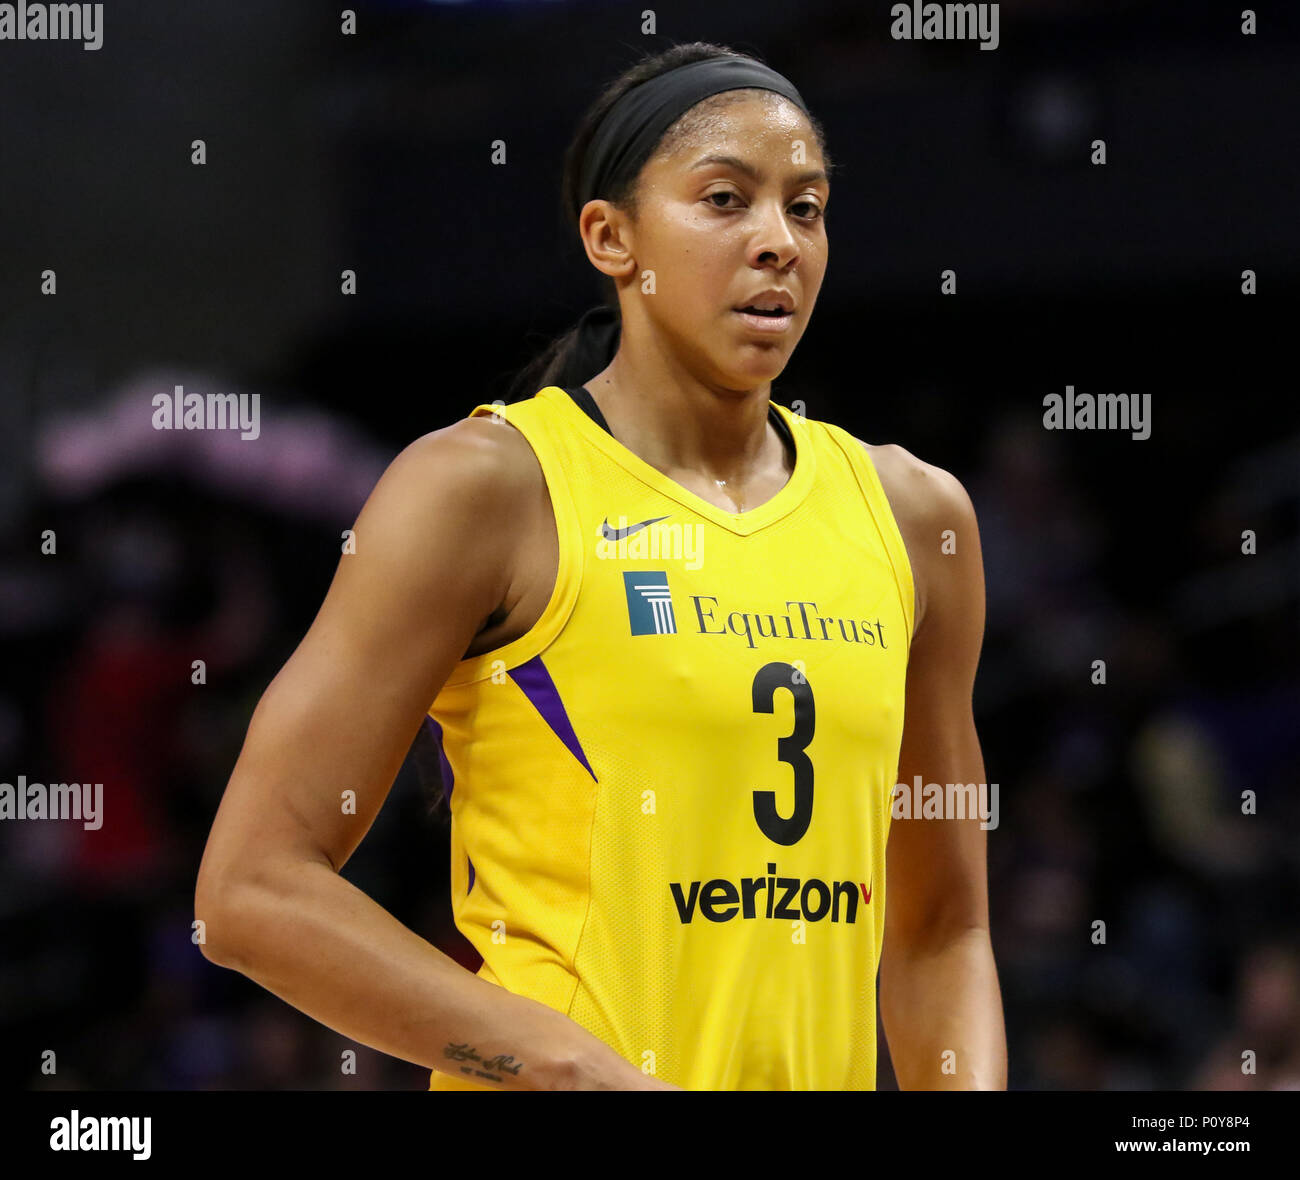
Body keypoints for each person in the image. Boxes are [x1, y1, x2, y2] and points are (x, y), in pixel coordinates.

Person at [196, 40, 1006, 1091]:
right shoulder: (488, 488)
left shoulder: (915, 518)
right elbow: (250, 890)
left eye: (804, 208)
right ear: (611, 238)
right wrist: (569, 1067)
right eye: (726, 200)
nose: (778, 243)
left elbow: (941, 927)